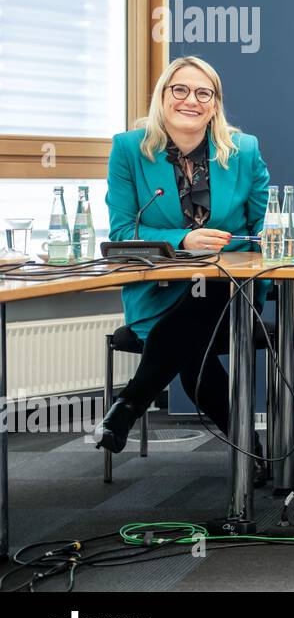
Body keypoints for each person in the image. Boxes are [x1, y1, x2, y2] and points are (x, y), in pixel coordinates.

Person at [96, 56, 271, 485]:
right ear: (162, 96)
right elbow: (123, 229)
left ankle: (131, 401)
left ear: (215, 104)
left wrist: (240, 252)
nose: (191, 100)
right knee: (195, 355)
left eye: (203, 93)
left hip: (231, 294)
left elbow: (263, 230)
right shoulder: (129, 149)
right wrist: (182, 240)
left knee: (207, 300)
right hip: (158, 292)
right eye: (180, 90)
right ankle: (256, 455)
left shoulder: (243, 150)